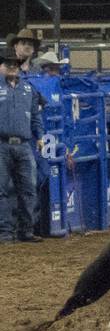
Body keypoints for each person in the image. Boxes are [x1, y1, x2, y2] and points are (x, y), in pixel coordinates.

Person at [0, 50, 43, 244]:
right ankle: (6, 232)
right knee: (2, 190)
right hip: (2, 144)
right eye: (8, 64)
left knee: (28, 188)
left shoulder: (28, 89)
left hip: (24, 144)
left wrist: (40, 136)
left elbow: (36, 115)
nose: (12, 67)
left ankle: (26, 230)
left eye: (15, 64)